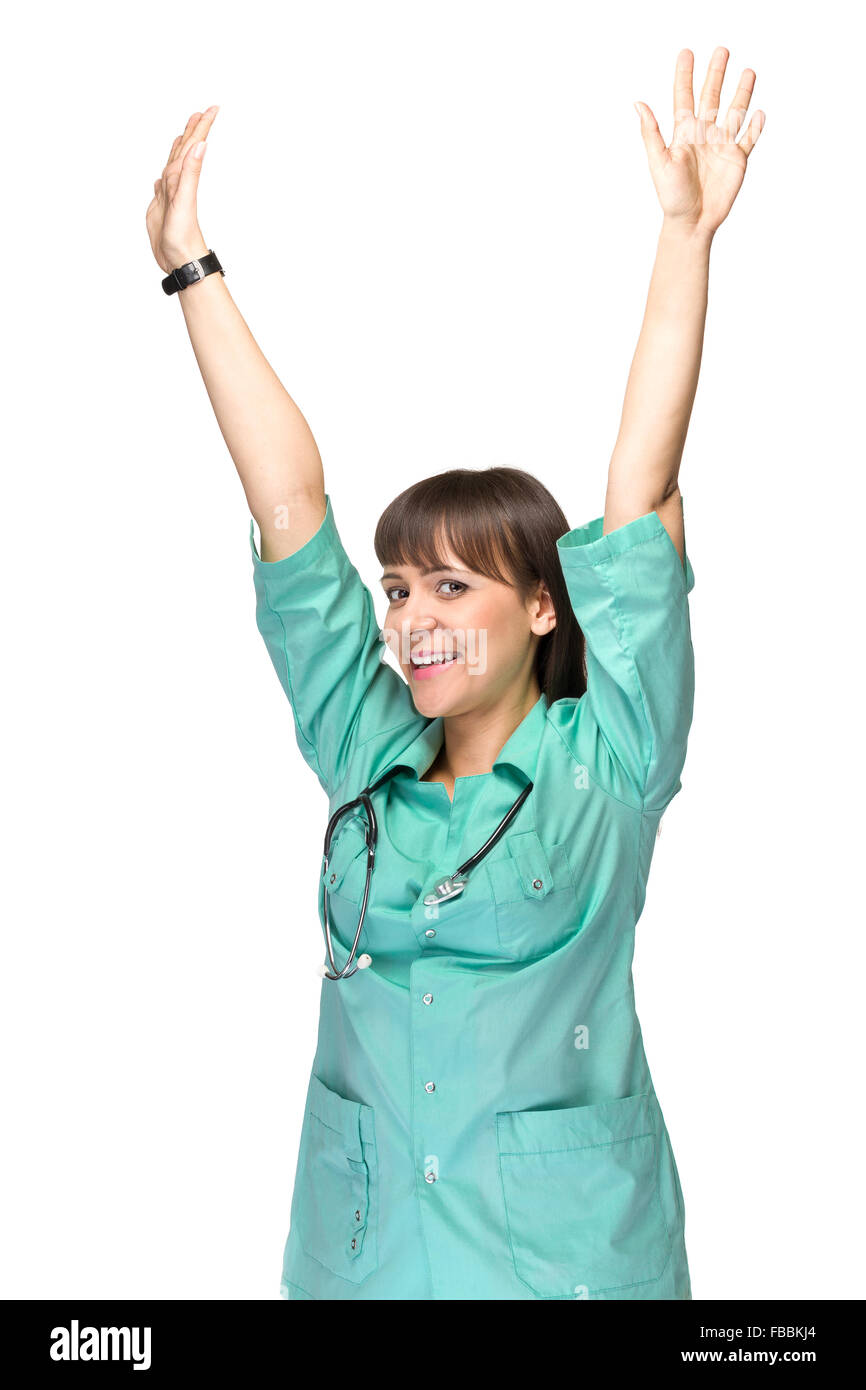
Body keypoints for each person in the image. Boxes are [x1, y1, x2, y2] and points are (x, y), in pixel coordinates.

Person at [146, 46, 765, 1301]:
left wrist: (685, 239)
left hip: (566, 1272)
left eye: (451, 586)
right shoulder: (364, 753)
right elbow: (286, 503)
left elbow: (640, 488)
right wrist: (189, 268)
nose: (411, 619)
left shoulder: (611, 760)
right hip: (361, 1262)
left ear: (544, 605)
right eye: (396, 588)